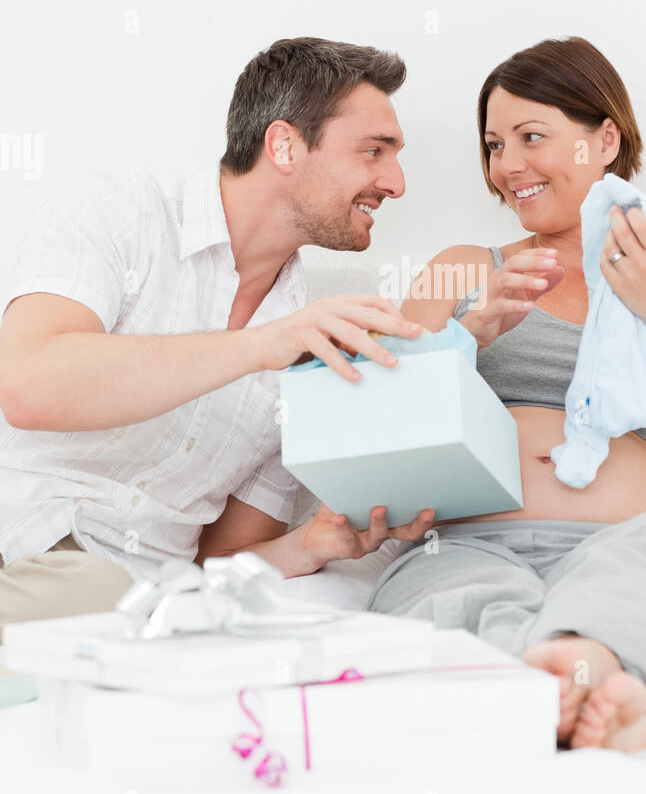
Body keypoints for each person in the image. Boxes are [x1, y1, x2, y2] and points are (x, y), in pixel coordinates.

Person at [368, 37, 646, 753]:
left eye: (531, 137)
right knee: (453, 601)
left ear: (605, 139)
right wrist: (471, 333)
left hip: (636, 538)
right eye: (494, 144)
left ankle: (576, 666)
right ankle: (587, 677)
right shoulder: (464, 268)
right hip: (472, 542)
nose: (506, 167)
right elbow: (381, 428)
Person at [0, 37, 435, 631]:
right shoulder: (121, 213)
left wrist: (312, 545)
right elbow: (27, 386)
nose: (396, 182)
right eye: (374, 151)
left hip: (134, 603)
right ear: (284, 145)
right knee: (97, 593)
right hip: (21, 546)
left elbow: (218, 563)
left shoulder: (311, 350)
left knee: (116, 599)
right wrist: (258, 348)